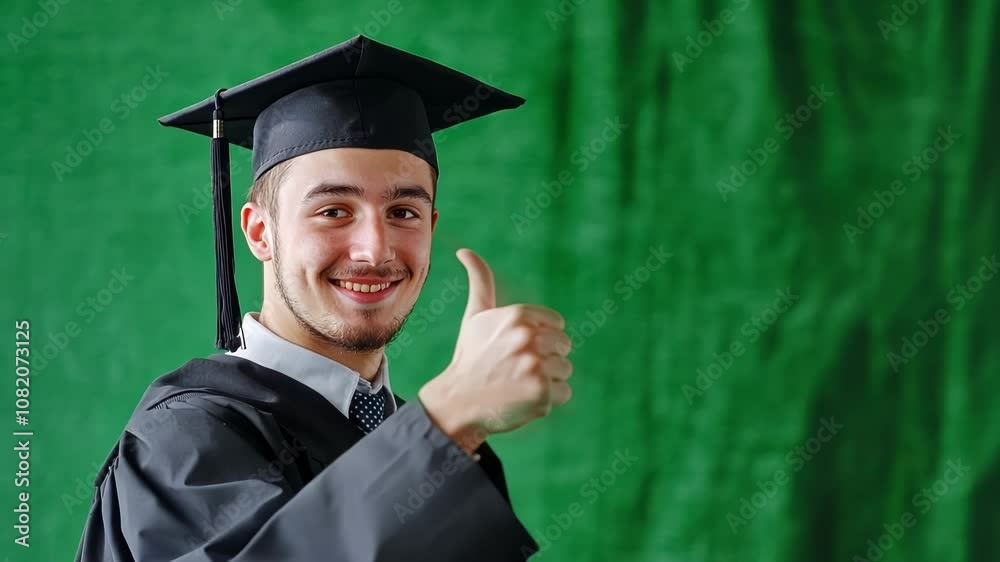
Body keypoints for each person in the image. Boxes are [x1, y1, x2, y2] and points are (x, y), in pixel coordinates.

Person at [74, 35, 574, 561]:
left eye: (403, 212)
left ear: (432, 225)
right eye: (333, 210)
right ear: (260, 232)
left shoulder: (408, 432)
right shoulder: (184, 438)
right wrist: (450, 417)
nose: (374, 249)